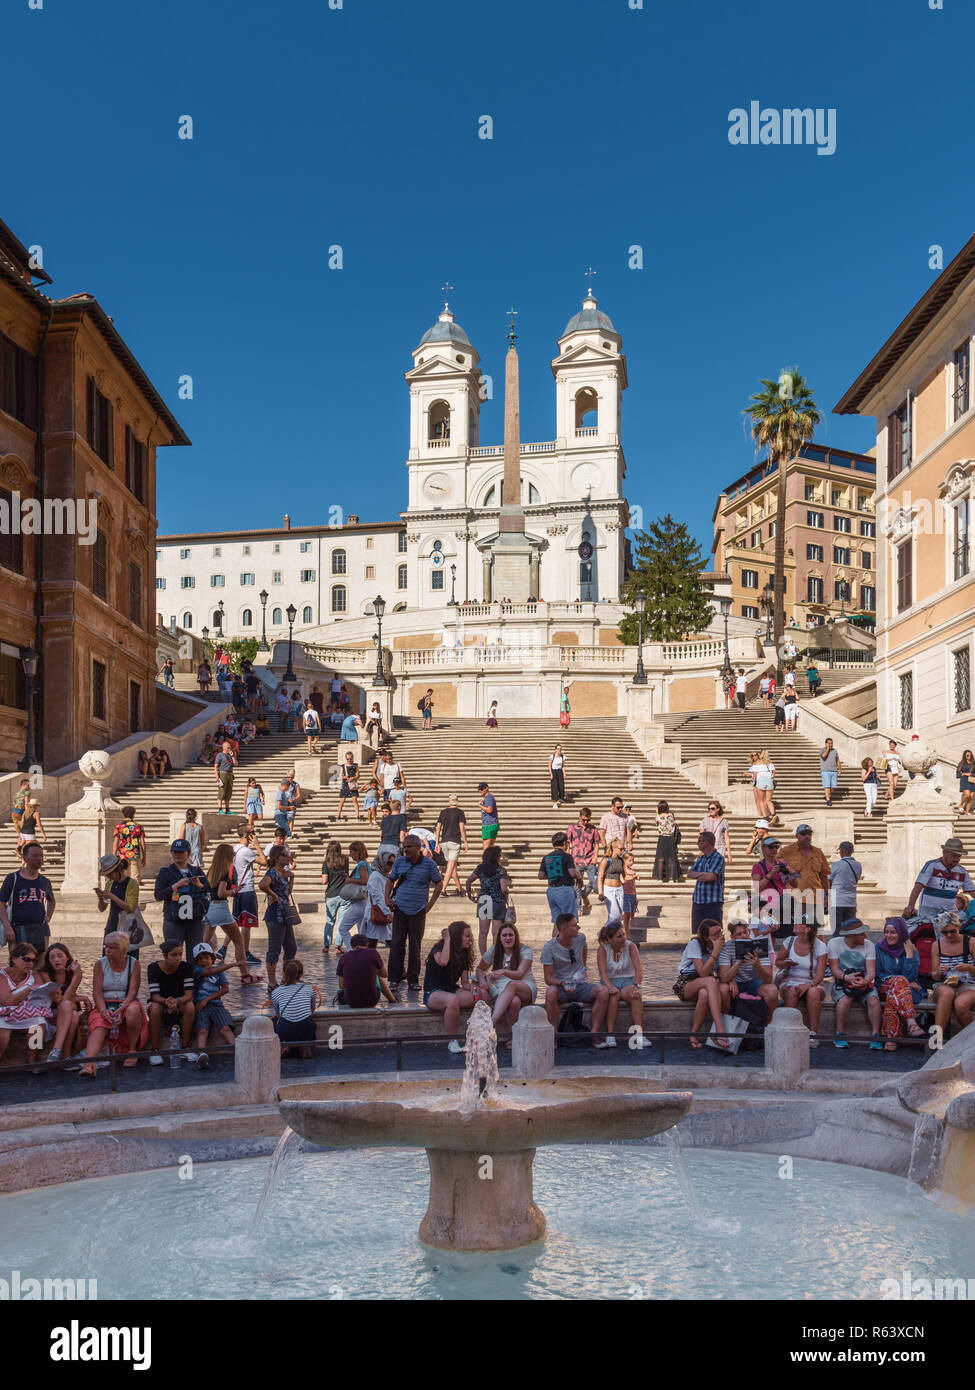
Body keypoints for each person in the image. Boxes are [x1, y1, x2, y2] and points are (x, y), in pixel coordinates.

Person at [80, 932, 148, 1077]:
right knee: (99, 1021)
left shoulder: (134, 964)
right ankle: (89, 1063)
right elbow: (97, 992)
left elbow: (133, 991)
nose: (107, 950)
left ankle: (132, 1051)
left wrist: (123, 1007)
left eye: (112, 947)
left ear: (123, 949)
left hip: (125, 1002)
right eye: (106, 946)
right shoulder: (100, 964)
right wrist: (103, 1010)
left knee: (133, 1010)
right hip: (104, 1003)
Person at [541, 913, 610, 1047]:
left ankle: (594, 1033)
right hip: (561, 987)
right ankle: (554, 1035)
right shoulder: (549, 947)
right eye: (574, 925)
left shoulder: (580, 938)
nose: (578, 927)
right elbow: (548, 978)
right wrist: (562, 983)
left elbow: (583, 956)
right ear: (564, 929)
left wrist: (582, 971)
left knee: (603, 991)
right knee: (550, 993)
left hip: (580, 985)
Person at [387, 835, 443, 992]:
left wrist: (430, 904)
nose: (406, 850)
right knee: (396, 944)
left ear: (419, 847)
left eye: (409, 847)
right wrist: (386, 897)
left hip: (418, 911)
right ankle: (394, 979)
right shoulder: (399, 862)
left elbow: (439, 883)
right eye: (404, 847)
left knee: (415, 946)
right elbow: (390, 880)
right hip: (400, 909)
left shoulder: (429, 864)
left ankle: (413, 979)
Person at [672, 918, 731, 1050]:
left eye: (720, 932)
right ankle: (719, 1029)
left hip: (706, 985)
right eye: (715, 935)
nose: (719, 936)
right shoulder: (695, 944)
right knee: (710, 980)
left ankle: (693, 1034)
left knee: (705, 994)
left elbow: (722, 974)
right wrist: (715, 952)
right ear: (705, 938)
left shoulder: (722, 947)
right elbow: (703, 972)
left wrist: (732, 981)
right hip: (686, 983)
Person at [827, 919, 882, 1051]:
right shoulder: (834, 943)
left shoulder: (869, 945)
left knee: (873, 1000)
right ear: (851, 936)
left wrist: (865, 981)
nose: (865, 936)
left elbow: (871, 972)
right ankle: (839, 1033)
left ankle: (876, 1035)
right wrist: (847, 978)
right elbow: (834, 970)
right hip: (842, 981)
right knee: (845, 1000)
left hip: (863, 982)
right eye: (862, 934)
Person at [423, 922, 478, 1052]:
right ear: (457, 937)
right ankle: (452, 1041)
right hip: (433, 992)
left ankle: (477, 1036)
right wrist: (447, 940)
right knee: (452, 1000)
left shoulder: (464, 953)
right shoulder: (439, 949)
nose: (470, 939)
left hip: (451, 989)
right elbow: (443, 961)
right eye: (467, 936)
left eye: (470, 936)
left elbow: (465, 983)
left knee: (481, 995)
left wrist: (473, 988)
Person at [875, 917, 926, 1051]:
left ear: (901, 933)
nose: (889, 936)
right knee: (899, 982)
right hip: (883, 987)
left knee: (893, 996)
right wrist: (901, 980)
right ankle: (911, 1021)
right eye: (886, 932)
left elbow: (911, 977)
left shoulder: (912, 950)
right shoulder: (878, 948)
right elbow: (878, 974)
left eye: (893, 932)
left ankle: (891, 1039)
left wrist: (909, 956)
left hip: (905, 993)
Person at [774, 916, 827, 1044]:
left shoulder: (820, 946)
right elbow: (778, 962)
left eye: (799, 923)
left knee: (813, 992)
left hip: (812, 982)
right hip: (790, 980)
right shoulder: (789, 941)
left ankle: (813, 1034)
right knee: (792, 991)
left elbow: (820, 976)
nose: (795, 924)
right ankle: (789, 1032)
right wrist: (785, 963)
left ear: (807, 929)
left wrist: (807, 985)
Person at [596, 922, 649, 1048]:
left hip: (628, 981)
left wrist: (637, 986)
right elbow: (602, 972)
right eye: (619, 936)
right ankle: (610, 1034)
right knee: (613, 996)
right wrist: (610, 987)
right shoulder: (603, 948)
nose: (623, 938)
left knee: (636, 996)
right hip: (609, 981)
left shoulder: (631, 946)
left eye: (623, 934)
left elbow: (638, 969)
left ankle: (639, 1035)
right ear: (610, 939)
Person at [0, 942, 54, 1063]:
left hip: (26, 1013)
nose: (30, 963)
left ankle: (31, 1061)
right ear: (14, 959)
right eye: (26, 959)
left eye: (34, 961)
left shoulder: (34, 975)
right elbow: (7, 1001)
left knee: (39, 1024)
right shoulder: (2, 976)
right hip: (4, 1014)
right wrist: (28, 989)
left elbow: (40, 989)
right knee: (3, 1033)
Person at [477, 923, 536, 1035]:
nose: (508, 938)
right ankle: (513, 1037)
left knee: (512, 985)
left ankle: (491, 1022)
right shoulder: (494, 950)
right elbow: (480, 968)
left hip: (525, 986)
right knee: (514, 1001)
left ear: (515, 936)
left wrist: (503, 971)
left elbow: (519, 974)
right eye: (504, 935)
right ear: (499, 938)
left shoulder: (525, 950)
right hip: (503, 989)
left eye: (510, 935)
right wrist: (482, 980)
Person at [154, 838, 210, 955]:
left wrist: (199, 885)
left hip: (195, 920)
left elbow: (209, 890)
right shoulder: (165, 872)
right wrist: (175, 886)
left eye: (181, 852)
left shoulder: (196, 871)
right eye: (175, 852)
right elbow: (158, 895)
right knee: (173, 955)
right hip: (173, 920)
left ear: (188, 853)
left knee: (195, 956)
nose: (177, 855)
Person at [718, 918, 778, 1023]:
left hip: (754, 982)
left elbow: (769, 979)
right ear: (732, 937)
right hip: (735, 982)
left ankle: (769, 1024)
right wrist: (738, 963)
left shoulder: (759, 945)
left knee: (772, 991)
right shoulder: (727, 947)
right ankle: (726, 1024)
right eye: (739, 934)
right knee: (723, 989)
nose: (744, 936)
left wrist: (757, 965)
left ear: (749, 931)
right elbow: (723, 978)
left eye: (745, 932)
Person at [145, 941, 196, 1063]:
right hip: (160, 1002)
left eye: (180, 954)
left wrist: (177, 1001)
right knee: (155, 1008)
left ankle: (184, 1047)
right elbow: (154, 995)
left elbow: (188, 995)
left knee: (190, 1007)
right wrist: (166, 1001)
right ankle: (154, 1050)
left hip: (179, 1001)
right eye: (174, 955)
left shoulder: (187, 967)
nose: (178, 958)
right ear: (165, 955)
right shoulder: (153, 968)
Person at [191, 941, 244, 1060]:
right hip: (201, 1008)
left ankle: (237, 1051)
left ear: (212, 958)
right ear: (197, 962)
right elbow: (210, 972)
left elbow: (225, 989)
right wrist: (233, 964)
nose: (204, 961)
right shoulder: (197, 970)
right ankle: (202, 1054)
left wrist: (207, 999)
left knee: (225, 1028)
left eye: (207, 957)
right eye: (200, 959)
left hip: (217, 1006)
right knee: (202, 1030)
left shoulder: (219, 972)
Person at [0, 842, 55, 951]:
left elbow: (51, 900)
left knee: (41, 960)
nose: (39, 859)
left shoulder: (45, 881)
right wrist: (7, 926)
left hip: (40, 929)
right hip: (17, 928)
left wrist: (48, 916)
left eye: (41, 855)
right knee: (19, 960)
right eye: (35, 856)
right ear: (25, 858)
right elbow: (1, 903)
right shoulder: (13, 878)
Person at [902, 838, 975, 921]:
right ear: (944, 853)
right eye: (954, 855)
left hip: (949, 916)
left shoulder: (962, 872)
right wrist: (910, 906)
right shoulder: (932, 865)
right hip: (927, 915)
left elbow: (972, 891)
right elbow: (918, 886)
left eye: (959, 856)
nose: (957, 859)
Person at [37, 942, 86, 1064]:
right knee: (71, 1013)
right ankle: (63, 1054)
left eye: (60, 956)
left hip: (66, 1008)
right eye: (52, 957)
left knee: (71, 1012)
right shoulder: (45, 973)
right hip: (49, 1011)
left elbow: (65, 999)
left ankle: (59, 1053)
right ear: (48, 960)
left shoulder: (73, 972)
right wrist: (82, 997)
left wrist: (77, 976)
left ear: (67, 957)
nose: (56, 960)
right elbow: (58, 1000)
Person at [931, 910, 975, 1036]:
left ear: (958, 927)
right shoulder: (937, 945)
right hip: (945, 984)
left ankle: (971, 1039)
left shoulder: (971, 942)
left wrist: (970, 968)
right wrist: (939, 972)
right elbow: (934, 976)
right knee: (947, 993)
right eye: (945, 932)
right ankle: (937, 1037)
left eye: (952, 931)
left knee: (960, 1004)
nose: (949, 935)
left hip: (969, 985)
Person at [259, 845, 297, 991]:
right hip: (275, 915)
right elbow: (262, 884)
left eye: (288, 855)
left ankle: (286, 979)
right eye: (284, 855)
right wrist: (273, 895)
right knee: (274, 949)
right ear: (276, 858)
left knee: (291, 948)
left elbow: (287, 893)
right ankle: (272, 982)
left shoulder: (283, 873)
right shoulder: (272, 872)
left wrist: (291, 879)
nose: (288, 857)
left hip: (285, 914)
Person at [270, 959, 322, 1057]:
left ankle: (283, 1044)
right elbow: (312, 1009)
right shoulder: (310, 989)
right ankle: (306, 1045)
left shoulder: (276, 992)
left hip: (286, 1029)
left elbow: (277, 1013)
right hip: (306, 1028)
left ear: (284, 973)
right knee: (309, 1023)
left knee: (273, 1021)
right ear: (301, 974)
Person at [780, 824, 830, 926]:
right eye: (803, 834)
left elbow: (824, 876)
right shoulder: (787, 851)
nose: (807, 836)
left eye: (809, 834)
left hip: (815, 898)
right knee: (798, 926)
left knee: (814, 927)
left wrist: (828, 895)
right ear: (797, 836)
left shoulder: (818, 852)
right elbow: (775, 868)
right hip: (795, 898)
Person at [466, 843, 509, 954]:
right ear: (496, 857)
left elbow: (468, 881)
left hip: (484, 900)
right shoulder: (501, 870)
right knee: (496, 933)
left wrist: (470, 895)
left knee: (483, 933)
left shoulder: (480, 869)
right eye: (499, 855)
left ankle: (484, 956)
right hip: (497, 901)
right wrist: (506, 897)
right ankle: (495, 955)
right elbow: (504, 889)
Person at [94, 853, 140, 947]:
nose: (109, 877)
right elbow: (102, 909)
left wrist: (112, 896)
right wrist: (100, 898)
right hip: (112, 923)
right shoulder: (110, 884)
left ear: (118, 869)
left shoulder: (131, 884)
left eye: (110, 874)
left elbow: (130, 908)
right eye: (107, 875)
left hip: (128, 926)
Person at [337, 934, 396, 1009]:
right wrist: (372, 970)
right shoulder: (373, 953)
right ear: (367, 944)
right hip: (372, 1000)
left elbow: (341, 986)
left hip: (351, 1001)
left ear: (351, 946)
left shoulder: (343, 957)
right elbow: (385, 975)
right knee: (377, 977)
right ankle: (393, 1000)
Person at [686, 831, 725, 933]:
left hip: (712, 902)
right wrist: (704, 874)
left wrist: (698, 875)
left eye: (700, 841)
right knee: (697, 933)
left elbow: (711, 877)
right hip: (698, 901)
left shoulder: (718, 858)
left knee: (714, 933)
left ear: (707, 842)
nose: (697, 843)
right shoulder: (701, 859)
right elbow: (689, 873)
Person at [539, 832, 581, 925]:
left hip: (551, 890)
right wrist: (579, 877)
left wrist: (554, 875)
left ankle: (556, 935)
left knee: (557, 921)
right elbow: (572, 873)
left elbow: (541, 875)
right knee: (570, 919)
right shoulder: (567, 856)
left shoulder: (546, 857)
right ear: (565, 843)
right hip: (565, 890)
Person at [321, 841, 354, 954]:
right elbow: (347, 876)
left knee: (330, 921)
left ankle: (326, 946)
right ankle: (338, 946)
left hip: (331, 895)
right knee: (341, 922)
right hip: (344, 895)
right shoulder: (345, 860)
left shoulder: (326, 862)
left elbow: (324, 881)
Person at [435, 795, 468, 897]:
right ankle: (443, 890)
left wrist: (437, 843)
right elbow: (462, 828)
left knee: (452, 867)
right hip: (454, 842)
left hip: (444, 842)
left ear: (449, 801)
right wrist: (465, 842)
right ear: (457, 801)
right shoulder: (460, 812)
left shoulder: (443, 812)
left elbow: (438, 828)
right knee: (451, 866)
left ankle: (460, 890)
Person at [364, 850, 395, 951]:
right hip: (378, 913)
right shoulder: (375, 876)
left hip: (384, 914)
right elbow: (378, 897)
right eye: (389, 863)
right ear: (382, 862)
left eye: (393, 863)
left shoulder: (385, 876)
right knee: (372, 943)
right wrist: (387, 913)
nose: (391, 866)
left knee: (390, 941)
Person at [566, 807, 600, 897]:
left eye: (588, 820)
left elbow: (597, 844)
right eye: (584, 820)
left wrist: (595, 857)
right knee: (577, 886)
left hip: (590, 860)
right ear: (579, 817)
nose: (586, 822)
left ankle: (584, 894)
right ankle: (578, 905)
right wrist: (569, 859)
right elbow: (567, 845)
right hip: (576, 860)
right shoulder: (572, 828)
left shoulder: (593, 829)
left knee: (595, 884)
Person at [829, 841, 862, 932]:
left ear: (842, 851)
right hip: (851, 902)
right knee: (850, 931)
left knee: (837, 931)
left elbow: (828, 881)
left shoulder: (836, 865)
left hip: (837, 901)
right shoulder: (858, 865)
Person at [597, 836, 626, 926]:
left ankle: (611, 933)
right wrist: (600, 893)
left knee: (618, 916)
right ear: (614, 848)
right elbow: (600, 877)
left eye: (623, 849)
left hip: (619, 889)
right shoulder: (606, 860)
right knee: (614, 916)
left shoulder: (621, 860)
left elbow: (622, 874)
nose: (622, 851)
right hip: (608, 889)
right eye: (621, 849)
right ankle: (603, 932)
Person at [112, 807, 146, 884]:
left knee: (122, 877)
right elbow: (142, 844)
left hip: (123, 855)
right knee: (135, 878)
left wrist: (114, 856)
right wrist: (144, 857)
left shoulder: (119, 827)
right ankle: (134, 891)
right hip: (135, 855)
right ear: (133, 814)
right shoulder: (139, 827)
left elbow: (116, 842)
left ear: (123, 814)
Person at [652, 801, 682, 882]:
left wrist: (657, 812)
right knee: (671, 858)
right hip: (671, 838)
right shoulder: (671, 816)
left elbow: (657, 823)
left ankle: (660, 877)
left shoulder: (658, 817)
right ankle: (671, 877)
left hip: (662, 838)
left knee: (660, 858)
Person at [748, 751, 775, 821]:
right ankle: (773, 815)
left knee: (761, 800)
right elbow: (773, 774)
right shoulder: (770, 764)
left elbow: (754, 775)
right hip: (769, 781)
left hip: (761, 781)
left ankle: (765, 816)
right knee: (768, 800)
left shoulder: (756, 764)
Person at [335, 751, 361, 822]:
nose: (349, 760)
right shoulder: (343, 766)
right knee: (342, 801)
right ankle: (338, 816)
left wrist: (353, 778)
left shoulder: (355, 765)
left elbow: (358, 775)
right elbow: (340, 776)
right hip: (345, 784)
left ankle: (357, 816)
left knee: (355, 800)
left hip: (352, 783)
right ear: (346, 758)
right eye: (348, 759)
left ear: (353, 758)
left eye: (350, 759)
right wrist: (345, 777)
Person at [213, 739, 237, 814]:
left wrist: (233, 756)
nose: (230, 748)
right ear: (224, 747)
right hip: (223, 773)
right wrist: (217, 776)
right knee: (222, 791)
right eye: (228, 747)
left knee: (229, 792)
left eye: (230, 747)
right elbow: (216, 766)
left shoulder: (230, 755)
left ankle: (227, 809)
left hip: (230, 774)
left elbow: (236, 764)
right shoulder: (220, 755)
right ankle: (220, 809)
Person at [476, 780, 499, 847]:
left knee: (486, 848)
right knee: (491, 847)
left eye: (481, 789)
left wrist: (479, 805)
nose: (480, 791)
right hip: (492, 824)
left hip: (488, 825)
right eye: (479, 789)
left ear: (486, 788)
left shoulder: (488, 797)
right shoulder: (489, 797)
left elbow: (489, 810)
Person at [621, 853, 639, 936]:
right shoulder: (623, 871)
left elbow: (633, 885)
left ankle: (620, 919)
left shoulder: (632, 871)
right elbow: (625, 879)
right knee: (627, 916)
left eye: (633, 860)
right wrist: (633, 877)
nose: (632, 862)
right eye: (630, 860)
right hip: (625, 895)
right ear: (624, 861)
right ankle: (627, 935)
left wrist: (636, 896)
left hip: (632, 895)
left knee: (632, 915)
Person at [820, 738, 841, 807]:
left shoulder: (835, 751)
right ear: (826, 744)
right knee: (827, 786)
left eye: (831, 743)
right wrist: (827, 749)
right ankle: (828, 799)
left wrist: (839, 769)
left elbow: (837, 760)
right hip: (825, 771)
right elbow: (823, 756)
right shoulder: (822, 750)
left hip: (834, 771)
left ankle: (827, 795)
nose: (831, 744)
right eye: (829, 743)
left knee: (833, 786)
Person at [956, 750, 975, 815]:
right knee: (967, 795)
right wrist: (962, 774)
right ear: (965, 756)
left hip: (972, 781)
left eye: (970, 755)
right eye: (967, 755)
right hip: (964, 781)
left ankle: (967, 812)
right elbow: (958, 773)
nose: (969, 756)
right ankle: (961, 805)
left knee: (971, 797)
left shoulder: (974, 763)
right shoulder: (962, 763)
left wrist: (970, 774)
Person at [549, 744, 566, 809]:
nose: (559, 750)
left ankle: (561, 798)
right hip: (554, 771)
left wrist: (564, 773)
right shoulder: (552, 756)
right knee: (555, 788)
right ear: (555, 750)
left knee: (561, 787)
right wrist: (551, 774)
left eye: (560, 749)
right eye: (558, 749)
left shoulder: (562, 756)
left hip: (560, 772)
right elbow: (549, 766)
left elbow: (563, 766)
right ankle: (555, 803)